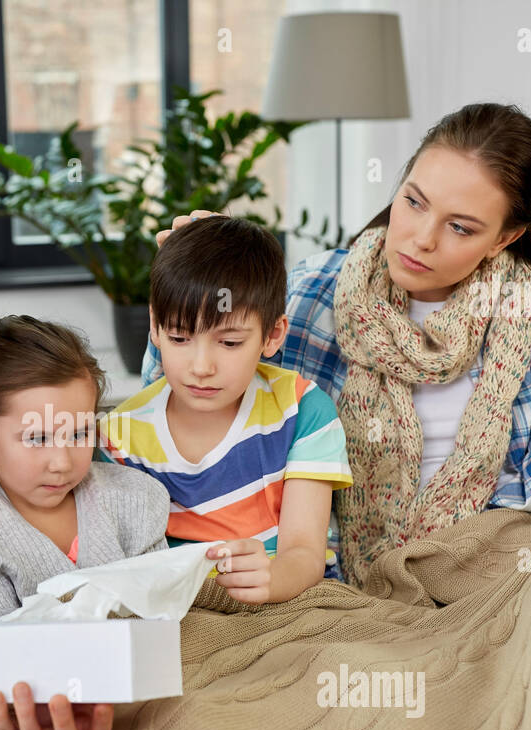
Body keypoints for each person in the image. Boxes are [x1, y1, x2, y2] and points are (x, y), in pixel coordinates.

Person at [143, 102, 531, 645]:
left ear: (505, 238)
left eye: (460, 228)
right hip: (346, 567)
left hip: (500, 556)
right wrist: (190, 295)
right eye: (413, 202)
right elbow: (190, 399)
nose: (421, 238)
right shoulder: (313, 289)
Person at [0, 315, 169, 730]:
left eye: (80, 433)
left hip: (140, 698)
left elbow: (160, 617)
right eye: (37, 438)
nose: (61, 462)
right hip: (34, 711)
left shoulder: (134, 498)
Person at [99, 216, 353, 605]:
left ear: (272, 335)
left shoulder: (302, 411)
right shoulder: (118, 436)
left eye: (230, 342)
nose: (201, 367)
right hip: (182, 608)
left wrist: (273, 577)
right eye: (180, 338)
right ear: (155, 327)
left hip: (291, 600)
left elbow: (304, 552)